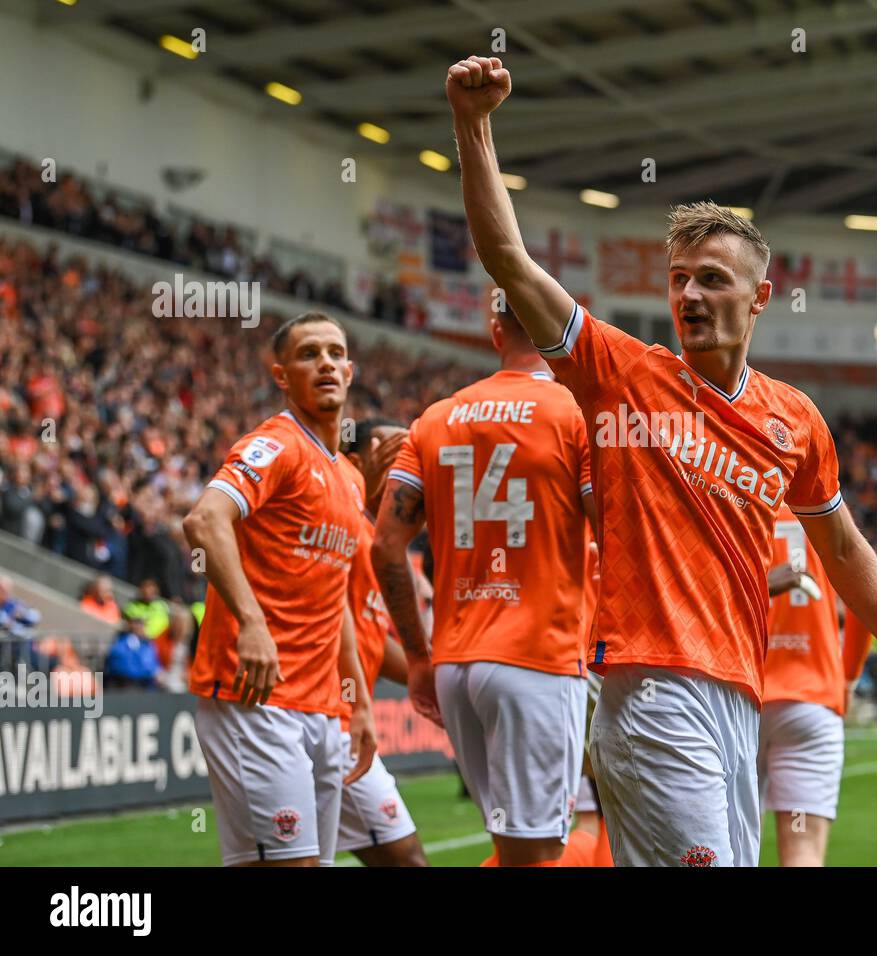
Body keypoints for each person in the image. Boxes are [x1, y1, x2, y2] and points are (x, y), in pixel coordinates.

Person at [444, 54, 877, 867]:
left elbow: (844, 549)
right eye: (678, 279)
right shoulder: (621, 373)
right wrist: (474, 126)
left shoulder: (793, 419)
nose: (688, 296)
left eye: (712, 280)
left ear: (759, 297)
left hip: (739, 698)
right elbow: (508, 258)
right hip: (648, 691)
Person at [371, 303, 594, 867]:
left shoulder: (435, 418)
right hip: (537, 659)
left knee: (510, 846)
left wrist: (419, 659)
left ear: (493, 328)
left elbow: (386, 545)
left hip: (455, 666)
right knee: (539, 853)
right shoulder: (576, 411)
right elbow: (615, 533)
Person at [183, 312, 376, 867]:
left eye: (336, 353)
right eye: (308, 353)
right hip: (256, 697)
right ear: (281, 375)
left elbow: (333, 591)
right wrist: (252, 621)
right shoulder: (277, 444)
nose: (326, 363)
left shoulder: (350, 477)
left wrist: (357, 698)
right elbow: (204, 521)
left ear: (351, 369)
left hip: (320, 707)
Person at [335, 418, 427, 867]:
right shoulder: (342, 520)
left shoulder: (378, 539)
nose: (404, 475)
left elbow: (368, 638)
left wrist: (432, 675)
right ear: (356, 463)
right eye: (394, 460)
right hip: (319, 717)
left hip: (339, 722)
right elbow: (334, 621)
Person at [762, 504, 874, 866]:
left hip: (743, 694)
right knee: (803, 852)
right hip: (813, 697)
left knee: (729, 845)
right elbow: (863, 599)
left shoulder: (738, 493)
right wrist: (848, 677)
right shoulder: (824, 509)